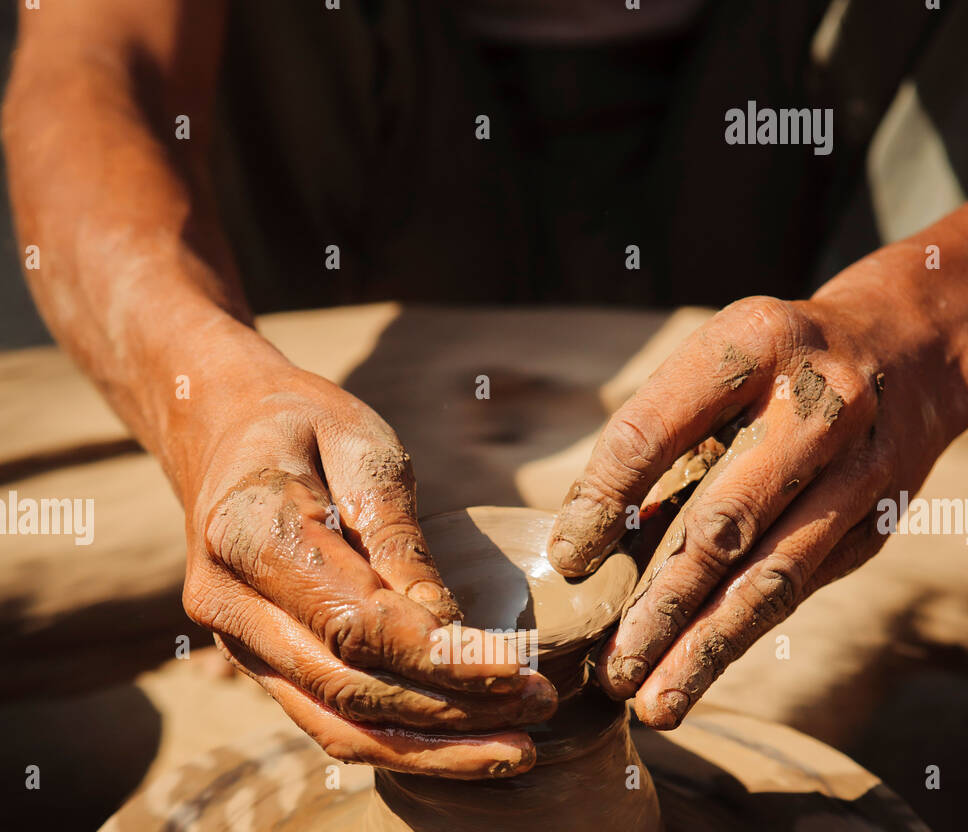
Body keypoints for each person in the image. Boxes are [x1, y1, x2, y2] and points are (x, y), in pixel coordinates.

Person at [5, 0, 968, 775]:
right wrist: (208, 402)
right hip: (378, 156)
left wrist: (924, 325)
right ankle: (284, 536)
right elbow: (92, 62)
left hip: (819, 158)